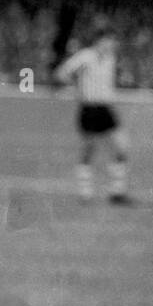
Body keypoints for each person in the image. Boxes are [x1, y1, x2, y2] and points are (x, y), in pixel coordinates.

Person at [54, 24, 131, 203]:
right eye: (110, 41)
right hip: (89, 109)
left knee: (121, 146)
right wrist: (76, 89)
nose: (112, 45)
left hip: (106, 109)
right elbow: (61, 73)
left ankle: (117, 192)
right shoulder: (85, 56)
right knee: (89, 149)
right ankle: (85, 192)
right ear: (100, 41)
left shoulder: (111, 58)